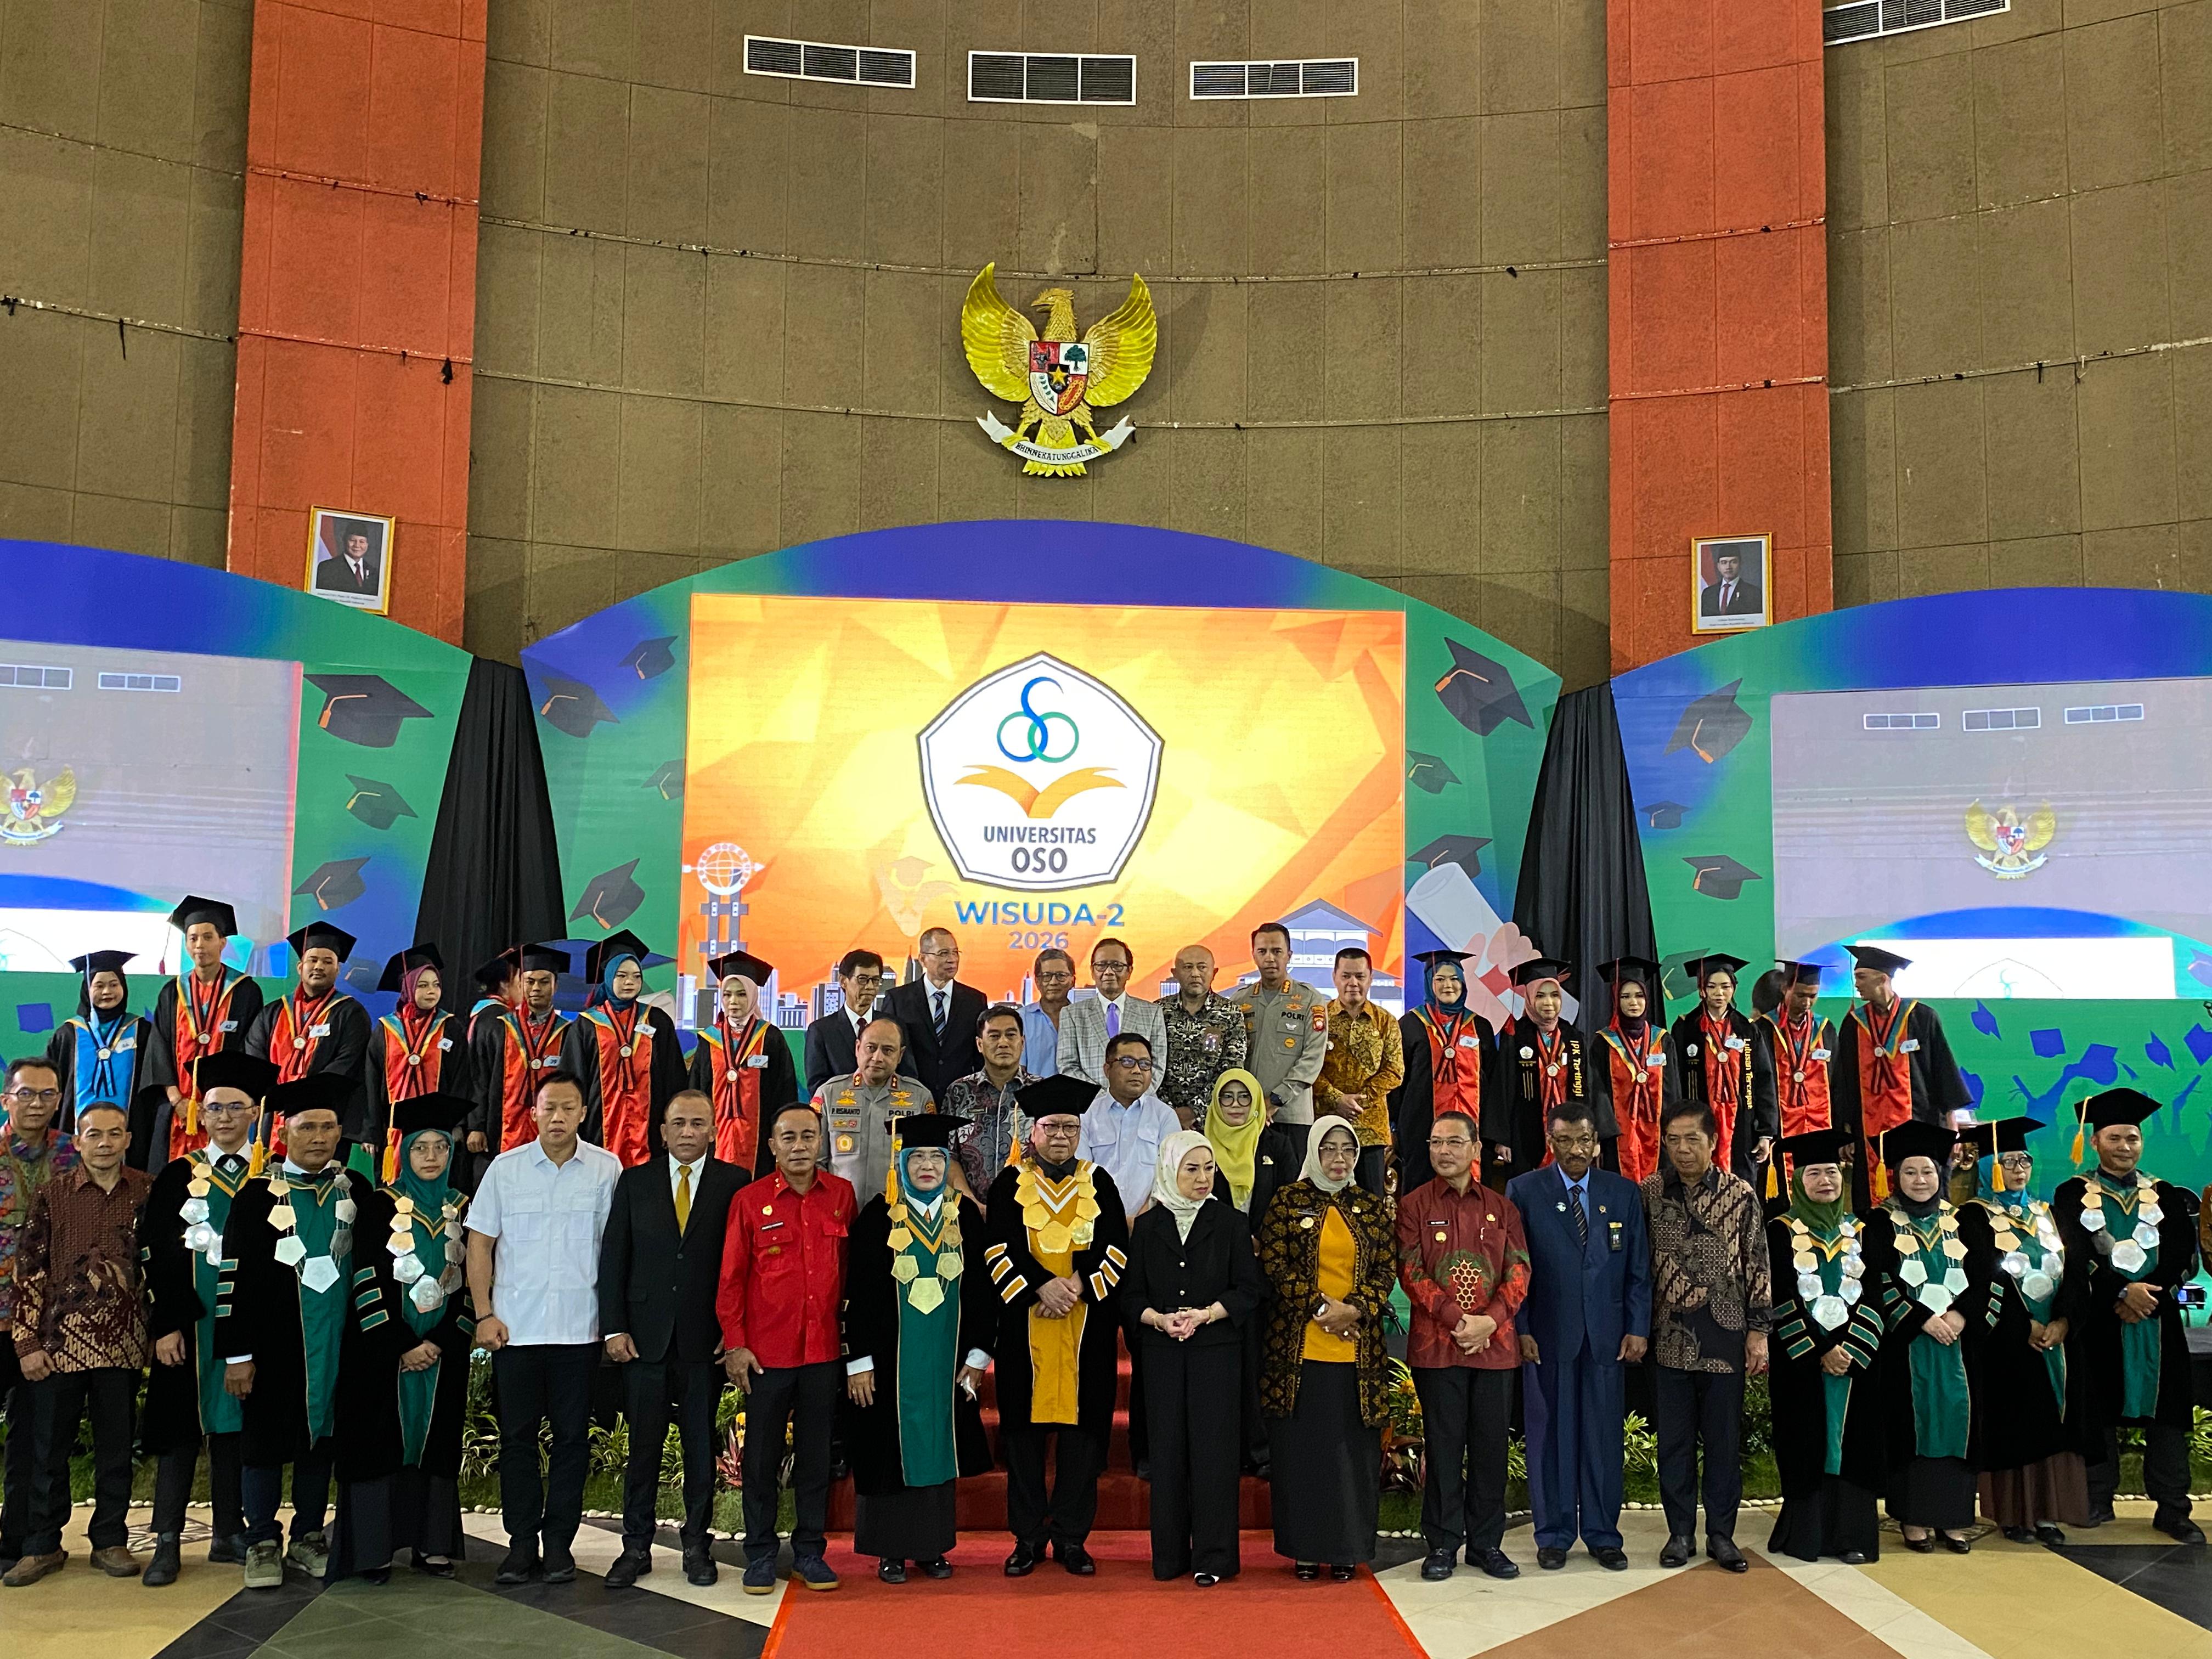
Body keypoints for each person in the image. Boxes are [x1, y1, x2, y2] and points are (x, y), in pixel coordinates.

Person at [466, 1068, 624, 1584]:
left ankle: (559, 1544)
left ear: (584, 1112)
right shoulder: (505, 1170)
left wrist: (614, 1323)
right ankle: (519, 1544)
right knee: (516, 1441)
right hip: (517, 1332)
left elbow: (618, 1252)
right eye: (548, 1108)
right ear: (532, 1113)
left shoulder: (607, 1169)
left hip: (580, 1332)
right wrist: (485, 1313)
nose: (558, 1117)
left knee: (573, 1442)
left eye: (568, 1108)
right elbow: (481, 1244)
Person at [212, 1073, 362, 1589]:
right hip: (274, 1350)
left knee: (320, 1443)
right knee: (264, 1445)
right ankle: (260, 1541)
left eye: (328, 1127)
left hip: (338, 1345)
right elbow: (232, 1279)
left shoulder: (355, 1191)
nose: (319, 1137)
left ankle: (308, 1536)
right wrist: (236, 1356)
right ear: (285, 1130)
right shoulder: (256, 1197)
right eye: (308, 1127)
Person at [326, 1094, 477, 1583]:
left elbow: (473, 1283)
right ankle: (374, 1550)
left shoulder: (464, 1208)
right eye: (420, 1149)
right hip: (382, 1356)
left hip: (442, 1356)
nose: (431, 1157)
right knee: (380, 1444)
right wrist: (402, 1344)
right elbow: (365, 1280)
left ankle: (433, 1545)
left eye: (440, 1147)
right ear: (403, 1153)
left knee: (434, 1446)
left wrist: (446, 1342)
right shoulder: (378, 1205)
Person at [139, 1051, 276, 1587]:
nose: (222, 1118)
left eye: (234, 1107)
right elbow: (155, 1251)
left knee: (236, 1432)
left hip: (250, 1329)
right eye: (213, 1107)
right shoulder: (178, 1176)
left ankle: (228, 1532)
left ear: (255, 1113)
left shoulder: (272, 1178)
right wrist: (167, 1323)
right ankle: (168, 1540)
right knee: (179, 1432)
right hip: (189, 1327)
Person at [985, 1076, 1132, 1576]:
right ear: (1034, 1131)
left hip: (1084, 1330)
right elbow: (997, 1248)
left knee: (1083, 1440)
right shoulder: (1009, 1185)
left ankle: (1072, 1538)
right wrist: (1038, 1288)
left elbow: (1116, 1249)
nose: (1062, 1136)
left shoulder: (1100, 1183)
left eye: (1071, 1127)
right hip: (1024, 1329)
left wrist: (1077, 1284)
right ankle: (1027, 1539)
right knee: (1024, 1440)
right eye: (1052, 1127)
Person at [597, 1089, 743, 1588]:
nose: (687, 1132)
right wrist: (614, 1327)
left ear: (712, 1130)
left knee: (701, 1450)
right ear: (662, 1130)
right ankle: (635, 1548)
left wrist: (734, 1329)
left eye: (698, 1124)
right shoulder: (635, 1182)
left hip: (705, 1342)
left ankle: (698, 1548)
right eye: (678, 1123)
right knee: (643, 1449)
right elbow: (614, 1257)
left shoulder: (734, 1183)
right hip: (644, 1340)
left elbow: (740, 1267)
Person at [3, 1099, 150, 1587]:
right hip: (57, 1346)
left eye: (115, 1134)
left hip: (123, 1345)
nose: (105, 1143)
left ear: (128, 1139)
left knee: (114, 1449)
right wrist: (27, 1344)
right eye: (94, 1134)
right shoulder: (54, 1194)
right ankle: (42, 1545)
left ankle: (110, 1540)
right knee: (49, 1451)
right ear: (78, 1140)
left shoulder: (147, 1193)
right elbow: (28, 1273)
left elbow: (160, 1271)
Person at [842, 1113, 994, 1583]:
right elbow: (860, 1294)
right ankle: (890, 1549)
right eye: (918, 1157)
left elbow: (983, 1291)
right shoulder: (877, 1215)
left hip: (946, 1362)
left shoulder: (964, 1215)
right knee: (888, 1444)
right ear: (902, 1162)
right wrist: (859, 1362)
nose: (927, 1166)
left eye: (936, 1157)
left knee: (937, 1445)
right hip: (889, 1364)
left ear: (948, 1163)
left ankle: (931, 1548)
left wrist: (976, 1357)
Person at [2052, 1088, 2204, 1543]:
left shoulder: (2165, 1194)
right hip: (2101, 1319)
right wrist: (2121, 1290)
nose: (2125, 1147)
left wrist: (2146, 1296)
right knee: (2097, 1408)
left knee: (2169, 1414)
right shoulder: (2072, 1193)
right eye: (2115, 1138)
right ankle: (2099, 1498)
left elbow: (2180, 1253)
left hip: (2157, 1320)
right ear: (2094, 1142)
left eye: (2133, 1139)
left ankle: (2173, 1507)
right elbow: (2074, 1254)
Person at [719, 1101, 855, 1595]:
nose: (799, 1147)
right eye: (788, 1138)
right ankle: (759, 1555)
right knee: (761, 1458)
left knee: (817, 1458)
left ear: (821, 1142)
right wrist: (735, 1344)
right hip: (766, 1355)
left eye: (808, 1137)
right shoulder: (750, 1201)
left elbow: (851, 1275)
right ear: (772, 1145)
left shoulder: (841, 1196)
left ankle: (810, 1553)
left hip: (821, 1353)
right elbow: (731, 1280)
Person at [1509, 1099, 1649, 1572]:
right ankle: (1553, 1534)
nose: (1575, 1150)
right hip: (1548, 1336)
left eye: (1583, 1140)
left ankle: (1603, 1534)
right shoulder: (1524, 1191)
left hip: (1608, 1337)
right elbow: (1516, 1269)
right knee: (1549, 1436)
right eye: (1564, 1140)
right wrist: (1521, 1328)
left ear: (1596, 1143)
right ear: (1551, 1142)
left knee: (1603, 1438)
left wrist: (1637, 1327)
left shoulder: (1623, 1194)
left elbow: (1638, 1270)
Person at [1254, 1116, 1395, 1581]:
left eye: (1348, 1151)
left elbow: (1385, 1270)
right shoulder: (1288, 1201)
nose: (1339, 1159)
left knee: (1350, 1455)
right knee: (1304, 1454)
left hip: (1357, 1352)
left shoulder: (1370, 1207)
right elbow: (1275, 1262)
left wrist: (1353, 1310)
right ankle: (1306, 1549)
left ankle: (1346, 1549)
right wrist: (1319, 1309)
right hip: (1299, 1352)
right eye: (1330, 1149)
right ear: (1314, 1151)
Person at [1121, 1130, 1262, 1584]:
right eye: (1192, 1169)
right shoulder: (1147, 1227)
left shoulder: (1231, 1224)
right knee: (1167, 1456)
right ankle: (1169, 1557)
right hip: (1162, 1355)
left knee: (1214, 1456)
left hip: (1216, 1355)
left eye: (1209, 1169)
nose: (1203, 1179)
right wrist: (1159, 1320)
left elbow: (1249, 1289)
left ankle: (1214, 1558)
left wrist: (1207, 1315)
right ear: (1169, 1170)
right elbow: (1130, 1295)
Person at [1401, 1110, 1530, 1582]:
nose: (1444, 1152)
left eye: (1454, 1143)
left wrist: (1489, 1322)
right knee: (1444, 1446)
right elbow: (1411, 1272)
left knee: (1492, 1449)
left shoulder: (1502, 1206)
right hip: (1438, 1348)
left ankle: (1486, 1544)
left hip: (1495, 1350)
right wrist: (1460, 1322)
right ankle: (1441, 1545)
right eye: (1436, 1143)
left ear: (1476, 1150)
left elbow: (1519, 1270)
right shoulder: (1413, 1205)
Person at [1643, 1098, 1769, 1572]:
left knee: (1721, 1442)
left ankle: (1722, 1535)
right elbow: (1640, 1268)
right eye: (1672, 1140)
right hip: (1669, 1339)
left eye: (1691, 1139)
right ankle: (1679, 1534)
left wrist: (1758, 1332)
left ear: (1714, 1141)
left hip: (1726, 1338)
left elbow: (1757, 1263)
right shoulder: (1651, 1192)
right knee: (1673, 1443)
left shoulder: (1741, 1194)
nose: (1682, 1149)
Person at [1954, 1116, 2086, 1542]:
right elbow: (1979, 1278)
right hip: (2007, 1342)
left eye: (2023, 1160)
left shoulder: (2050, 1214)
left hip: (2055, 1342)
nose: (2017, 1169)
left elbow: (2077, 1272)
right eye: (2007, 1161)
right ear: (1991, 1167)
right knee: (2016, 1425)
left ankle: (2048, 1513)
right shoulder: (1973, 1218)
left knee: (2055, 1423)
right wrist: (2022, 1324)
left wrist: (2064, 1320)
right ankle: (2014, 1515)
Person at [1863, 1121, 1989, 1553]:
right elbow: (1876, 1279)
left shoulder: (1966, 1220)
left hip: (1958, 1343)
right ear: (1894, 1175)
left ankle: (1954, 1519)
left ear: (1942, 1174)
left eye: (1929, 1172)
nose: (1920, 1180)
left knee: (1958, 1419)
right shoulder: (1878, 1224)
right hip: (1907, 1347)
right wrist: (1921, 1319)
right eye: (1911, 1172)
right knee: (1909, 1426)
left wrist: (1959, 1317)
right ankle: (1912, 1519)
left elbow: (1986, 1277)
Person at [1763, 1127, 1886, 1565]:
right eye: (1814, 1174)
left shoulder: (1862, 1230)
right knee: (1806, 1442)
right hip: (1803, 1367)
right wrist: (1819, 1351)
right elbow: (1778, 1298)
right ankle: (1808, 1536)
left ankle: (1851, 1535)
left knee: (1856, 1446)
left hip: (1856, 1363)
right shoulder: (1779, 1231)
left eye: (1832, 1172)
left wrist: (1852, 1348)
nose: (1825, 1182)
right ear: (1798, 1181)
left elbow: (1877, 1292)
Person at [1202, 1068, 1300, 1476]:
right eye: (1228, 1098)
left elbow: (1291, 1201)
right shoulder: (1200, 1147)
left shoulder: (1276, 1144)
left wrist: (1262, 1241)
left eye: (1246, 1098)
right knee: (1221, 1368)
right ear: (1216, 1103)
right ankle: (1222, 1450)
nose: (1238, 1106)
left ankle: (1260, 1451)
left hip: (1265, 1272)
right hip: (1214, 1274)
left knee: (1261, 1363)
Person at [0, 1058, 76, 1572]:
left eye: (47, 1096)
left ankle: (29, 1541)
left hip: (47, 1324)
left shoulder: (73, 1152)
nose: (36, 1104)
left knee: (37, 1434)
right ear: (7, 1098)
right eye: (26, 1094)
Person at [1830, 945, 1970, 1211]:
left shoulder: (1922, 1017)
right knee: (1871, 1198)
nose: (1856, 985)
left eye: (1862, 977)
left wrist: (1951, 1122)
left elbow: (1943, 1070)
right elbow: (1844, 1082)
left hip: (1921, 1121)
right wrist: (1845, 1131)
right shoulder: (1854, 1024)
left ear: (1883, 979)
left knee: (1924, 1187)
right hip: (1869, 1129)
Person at [138, 896, 264, 1169]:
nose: (200, 945)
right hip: (179, 1108)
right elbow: (158, 1048)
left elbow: (249, 1051)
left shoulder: (245, 991)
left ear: (223, 942)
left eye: (208, 937)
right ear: (186, 945)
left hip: (227, 1111)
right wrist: (177, 1100)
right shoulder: (173, 991)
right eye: (193, 938)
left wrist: (224, 1106)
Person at [562, 931, 686, 1167]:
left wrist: (672, 1124)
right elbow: (573, 1080)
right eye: (622, 976)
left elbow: (674, 1077)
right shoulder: (587, 1025)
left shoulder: (658, 1021)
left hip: (649, 1128)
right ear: (609, 978)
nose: (630, 982)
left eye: (636, 976)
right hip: (598, 1128)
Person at [245, 922, 371, 1138]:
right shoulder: (273, 1012)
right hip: (273, 1117)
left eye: (327, 961)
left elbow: (346, 1065)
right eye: (313, 960)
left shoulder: (351, 1013)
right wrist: (276, 1096)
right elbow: (255, 1059)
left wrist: (303, 1099)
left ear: (338, 969)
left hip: (325, 1115)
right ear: (300, 967)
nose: (319, 966)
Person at [1485, 958, 1599, 1188]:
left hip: (1570, 1133)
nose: (1549, 1003)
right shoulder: (1515, 1036)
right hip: (1524, 1133)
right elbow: (1502, 1088)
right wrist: (1502, 1140)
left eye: (1554, 995)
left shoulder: (1574, 1037)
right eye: (1540, 995)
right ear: (1528, 998)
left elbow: (1589, 1089)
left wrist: (1594, 1136)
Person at [1391, 950, 1495, 1197]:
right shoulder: (1410, 1025)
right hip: (1421, 1128)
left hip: (1473, 1128)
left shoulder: (1480, 1026)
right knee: (1423, 1197)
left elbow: (1492, 1082)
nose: (1448, 985)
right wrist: (1394, 1127)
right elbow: (1398, 1082)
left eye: (1454, 979)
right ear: (1429, 983)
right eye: (1440, 979)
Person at [1666, 954, 1776, 1185]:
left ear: (1734, 989)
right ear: (1702, 990)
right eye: (1712, 986)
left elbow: (1764, 1080)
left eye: (1726, 987)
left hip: (1742, 1120)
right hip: (1700, 1117)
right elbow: (1675, 1080)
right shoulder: (1686, 1027)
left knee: (1741, 1183)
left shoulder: (1747, 1029)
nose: (1719, 993)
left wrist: (1766, 1132)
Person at [687, 950, 798, 1180]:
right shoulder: (709, 1040)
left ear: (753, 996)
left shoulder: (770, 1038)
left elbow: (784, 1091)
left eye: (741, 995)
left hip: (760, 1139)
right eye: (727, 995)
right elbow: (697, 1089)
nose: (734, 1002)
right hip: (715, 1138)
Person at [466, 943, 571, 1177]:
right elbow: (479, 1079)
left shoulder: (569, 1032)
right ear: (520, 984)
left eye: (544, 982)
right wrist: (476, 1126)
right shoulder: (499, 1028)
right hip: (502, 1129)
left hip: (552, 1130)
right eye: (530, 981)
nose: (536, 988)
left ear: (555, 986)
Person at [365, 946, 471, 1174]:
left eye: (436, 984)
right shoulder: (385, 1030)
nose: (431, 991)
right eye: (422, 985)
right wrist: (372, 1131)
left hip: (440, 1127)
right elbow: (372, 1084)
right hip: (395, 1129)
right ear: (408, 988)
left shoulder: (451, 1027)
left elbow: (461, 1079)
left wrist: (458, 1124)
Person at [1229, 922, 1329, 1156]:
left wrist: (1275, 1100)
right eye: (1262, 952)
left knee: (1290, 1188)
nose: (1270, 958)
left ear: (1289, 955)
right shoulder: (1238, 1001)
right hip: (1244, 1114)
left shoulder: (1310, 999)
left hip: (1292, 1116)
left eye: (1277, 951)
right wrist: (1248, 1104)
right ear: (1253, 955)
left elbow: (1313, 1058)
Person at [815, 1015, 933, 1203]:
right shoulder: (829, 1094)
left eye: (888, 1050)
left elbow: (929, 1163)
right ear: (857, 1048)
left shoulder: (919, 1098)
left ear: (900, 1055)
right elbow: (816, 1161)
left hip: (897, 1214)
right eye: (871, 1048)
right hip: (839, 1211)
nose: (877, 1058)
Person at [1316, 947, 1403, 1196]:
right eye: (1346, 976)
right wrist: (1337, 1099)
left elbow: (1395, 1070)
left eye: (1359, 976)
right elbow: (1307, 1065)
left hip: (1371, 1128)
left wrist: (1357, 1101)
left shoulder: (1386, 1021)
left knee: (1371, 1201)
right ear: (1334, 977)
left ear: (1371, 978)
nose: (1353, 983)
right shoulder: (1318, 1019)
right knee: (1327, 1197)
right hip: (1326, 1123)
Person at [46, 950, 155, 1133]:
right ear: (87, 990)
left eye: (114, 984)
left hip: (131, 1131)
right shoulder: (68, 1034)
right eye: (99, 986)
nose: (107, 992)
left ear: (124, 987)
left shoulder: (142, 1031)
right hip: (75, 1131)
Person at [1077, 1032, 1181, 1225]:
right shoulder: (1086, 1115)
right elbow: (1081, 1175)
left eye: (1145, 1064)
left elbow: (1171, 1177)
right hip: (1096, 1222)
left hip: (1152, 1225)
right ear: (1107, 1069)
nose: (1137, 1071)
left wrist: (1142, 1220)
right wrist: (1110, 1220)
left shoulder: (1165, 1116)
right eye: (1127, 1062)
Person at [1591, 958, 1672, 1187]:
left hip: (1657, 1132)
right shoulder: (1603, 1042)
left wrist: (1671, 1129)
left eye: (1639, 995)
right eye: (1625, 996)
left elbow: (1671, 1091)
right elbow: (1599, 1093)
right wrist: (1607, 1132)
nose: (1633, 1003)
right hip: (1618, 1134)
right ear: (1615, 1000)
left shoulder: (1662, 1040)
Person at [944, 1002, 1034, 1199]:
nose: (1003, 1043)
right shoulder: (959, 1092)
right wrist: (970, 1201)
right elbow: (948, 1155)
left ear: (1022, 1042)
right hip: (970, 1208)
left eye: (1011, 1035)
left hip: (1030, 1210)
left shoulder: (1041, 1091)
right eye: (994, 1036)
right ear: (979, 1044)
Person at [885, 929, 987, 1102]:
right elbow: (888, 1050)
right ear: (923, 959)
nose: (952, 959)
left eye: (955, 952)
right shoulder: (898, 1000)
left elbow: (980, 1057)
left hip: (961, 1101)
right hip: (908, 1099)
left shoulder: (975, 1001)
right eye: (943, 953)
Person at [1158, 944, 1249, 1128]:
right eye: (1187, 967)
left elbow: (1231, 1068)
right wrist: (1169, 1112)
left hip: (1213, 1119)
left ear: (1214, 972)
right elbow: (1148, 1065)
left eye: (1202, 967)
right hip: (1162, 1118)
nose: (1195, 974)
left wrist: (1194, 1111)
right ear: (1174, 973)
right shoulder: (1158, 1011)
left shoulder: (1230, 1013)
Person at [1057, 936, 1169, 1086]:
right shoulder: (1072, 1014)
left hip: (1141, 1105)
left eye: (1117, 966)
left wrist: (1132, 1097)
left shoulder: (1152, 1013)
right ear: (1092, 971)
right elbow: (1067, 1066)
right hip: (1091, 1105)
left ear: (1129, 971)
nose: (1109, 972)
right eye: (1101, 965)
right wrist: (1102, 1099)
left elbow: (1157, 1067)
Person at [802, 949, 910, 1095]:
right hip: (841, 1111)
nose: (870, 987)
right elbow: (817, 1085)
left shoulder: (894, 1026)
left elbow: (907, 1077)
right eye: (863, 979)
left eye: (876, 980)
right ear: (843, 981)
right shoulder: (821, 1030)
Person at [1759, 961, 1836, 1151]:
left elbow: (1838, 1081)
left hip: (1820, 1122)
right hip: (1781, 1125)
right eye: (1800, 995)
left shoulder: (1825, 1029)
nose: (1807, 1003)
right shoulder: (1763, 1028)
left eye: (1813, 996)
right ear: (1785, 988)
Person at [1020, 947, 1075, 1077]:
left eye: (1061, 976)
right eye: (1047, 976)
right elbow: (1017, 1072)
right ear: (1037, 982)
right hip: (1034, 1095)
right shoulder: (1021, 1019)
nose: (1054, 982)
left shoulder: (1083, 1019)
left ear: (1073, 981)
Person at [314, 523, 383, 595]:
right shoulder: (327, 568)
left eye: (362, 542)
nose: (357, 545)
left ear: (367, 545)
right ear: (345, 541)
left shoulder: (374, 573)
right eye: (353, 540)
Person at [1698, 545, 1760, 617]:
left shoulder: (1753, 593)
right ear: (1718, 566)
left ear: (1741, 564)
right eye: (1724, 562)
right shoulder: (1708, 593)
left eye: (1733, 562)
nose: (1728, 567)